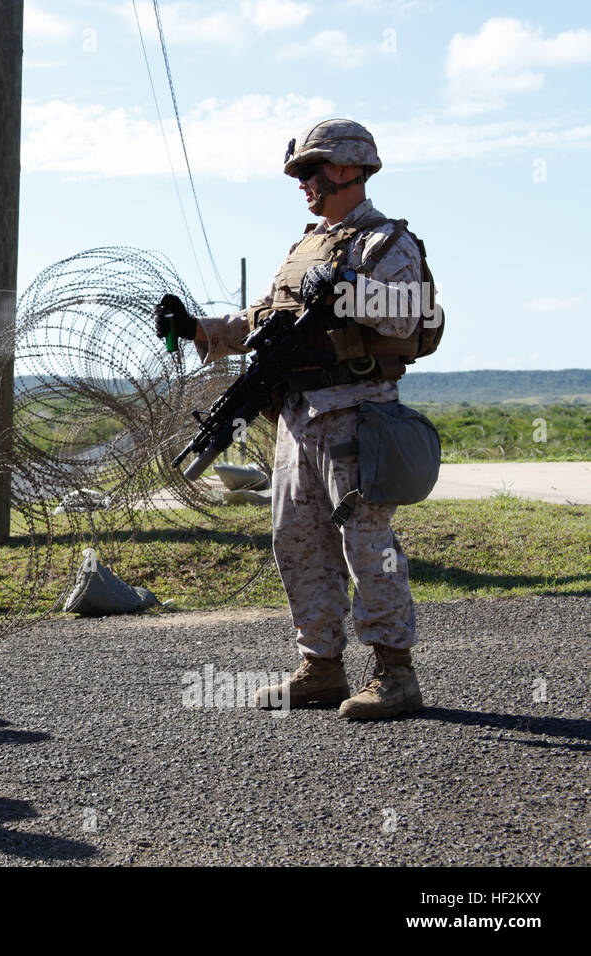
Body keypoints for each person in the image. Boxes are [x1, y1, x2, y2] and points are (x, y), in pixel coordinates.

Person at [158, 119, 441, 720]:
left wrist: (344, 294)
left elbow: (411, 316)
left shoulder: (387, 244)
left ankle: (395, 672)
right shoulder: (302, 250)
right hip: (298, 418)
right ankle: (322, 667)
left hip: (356, 415)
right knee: (298, 541)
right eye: (301, 174)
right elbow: (259, 321)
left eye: (312, 171)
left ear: (347, 170)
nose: (304, 184)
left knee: (367, 543)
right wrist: (198, 329)